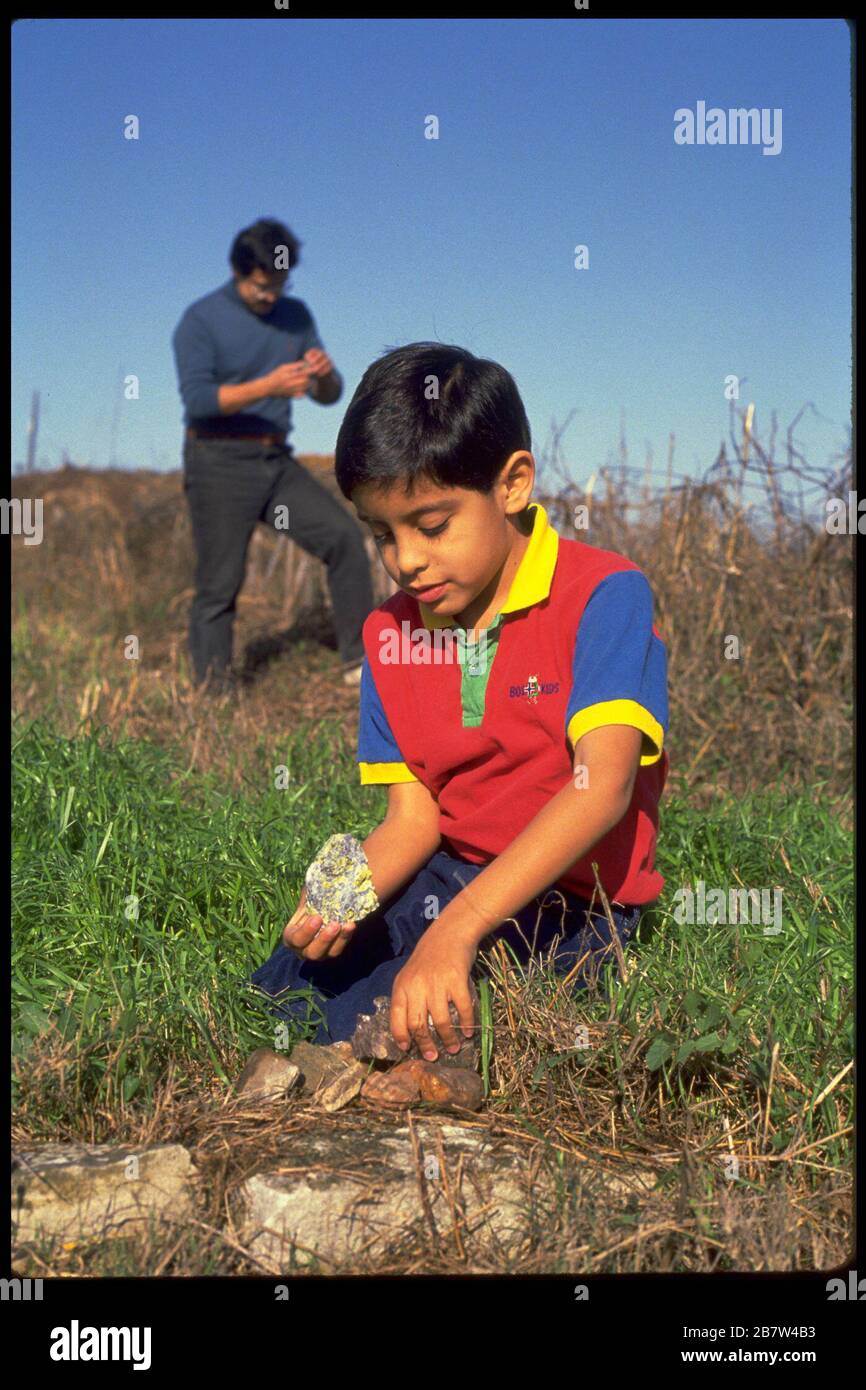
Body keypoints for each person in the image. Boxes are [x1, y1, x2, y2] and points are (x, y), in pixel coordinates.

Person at [249, 343, 669, 1062]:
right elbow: (411, 821)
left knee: (399, 1019)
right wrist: (343, 896)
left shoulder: (603, 596)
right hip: (450, 872)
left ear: (511, 485)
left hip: (576, 904)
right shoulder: (388, 632)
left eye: (432, 526)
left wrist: (455, 931)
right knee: (283, 986)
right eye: (382, 534)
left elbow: (602, 791)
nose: (405, 560)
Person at [171, 217, 374, 694]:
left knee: (344, 538)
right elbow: (198, 400)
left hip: (274, 464)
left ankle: (360, 666)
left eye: (279, 285)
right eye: (262, 287)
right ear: (241, 273)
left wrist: (323, 375)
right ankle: (213, 694)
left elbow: (330, 393)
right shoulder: (200, 320)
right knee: (220, 584)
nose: (270, 296)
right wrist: (269, 386)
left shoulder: (296, 315)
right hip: (218, 462)